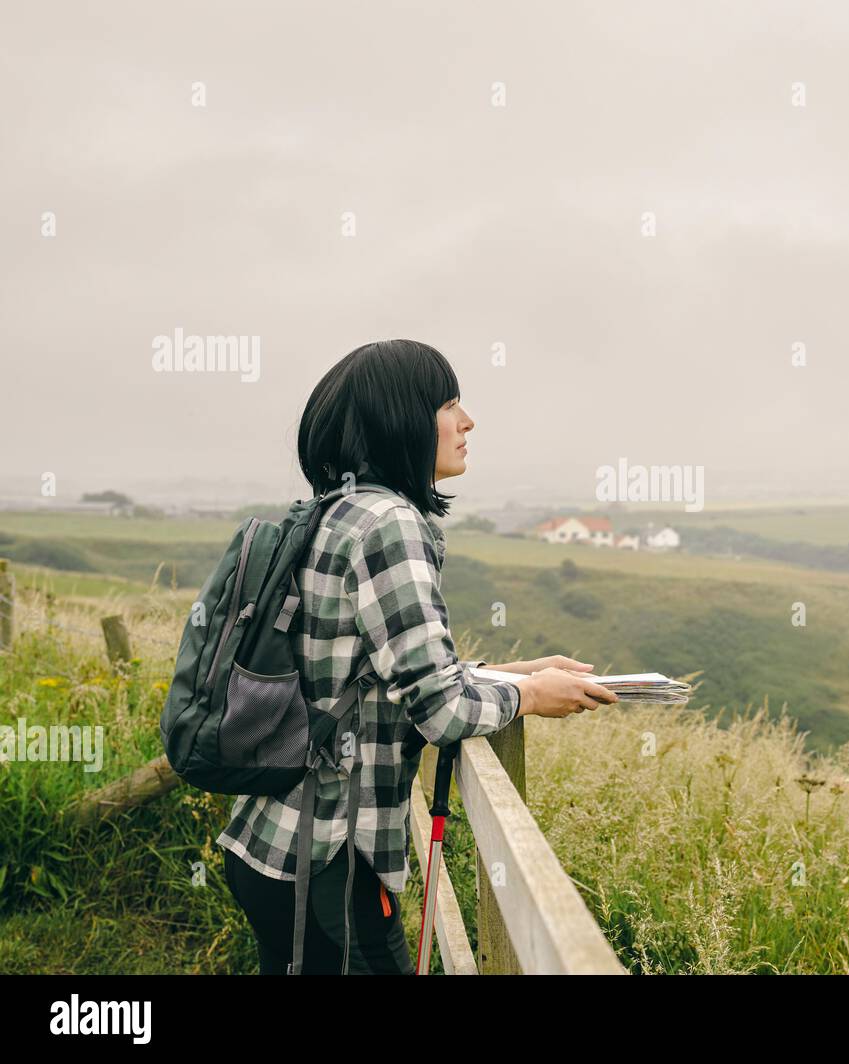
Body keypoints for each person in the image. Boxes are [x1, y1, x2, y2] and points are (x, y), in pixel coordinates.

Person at [217, 338, 618, 974]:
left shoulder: (335, 511)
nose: (468, 421)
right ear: (400, 418)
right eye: (449, 403)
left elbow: (377, 671)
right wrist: (534, 697)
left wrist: (516, 673)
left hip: (272, 839)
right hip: (328, 859)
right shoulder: (389, 525)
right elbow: (441, 712)